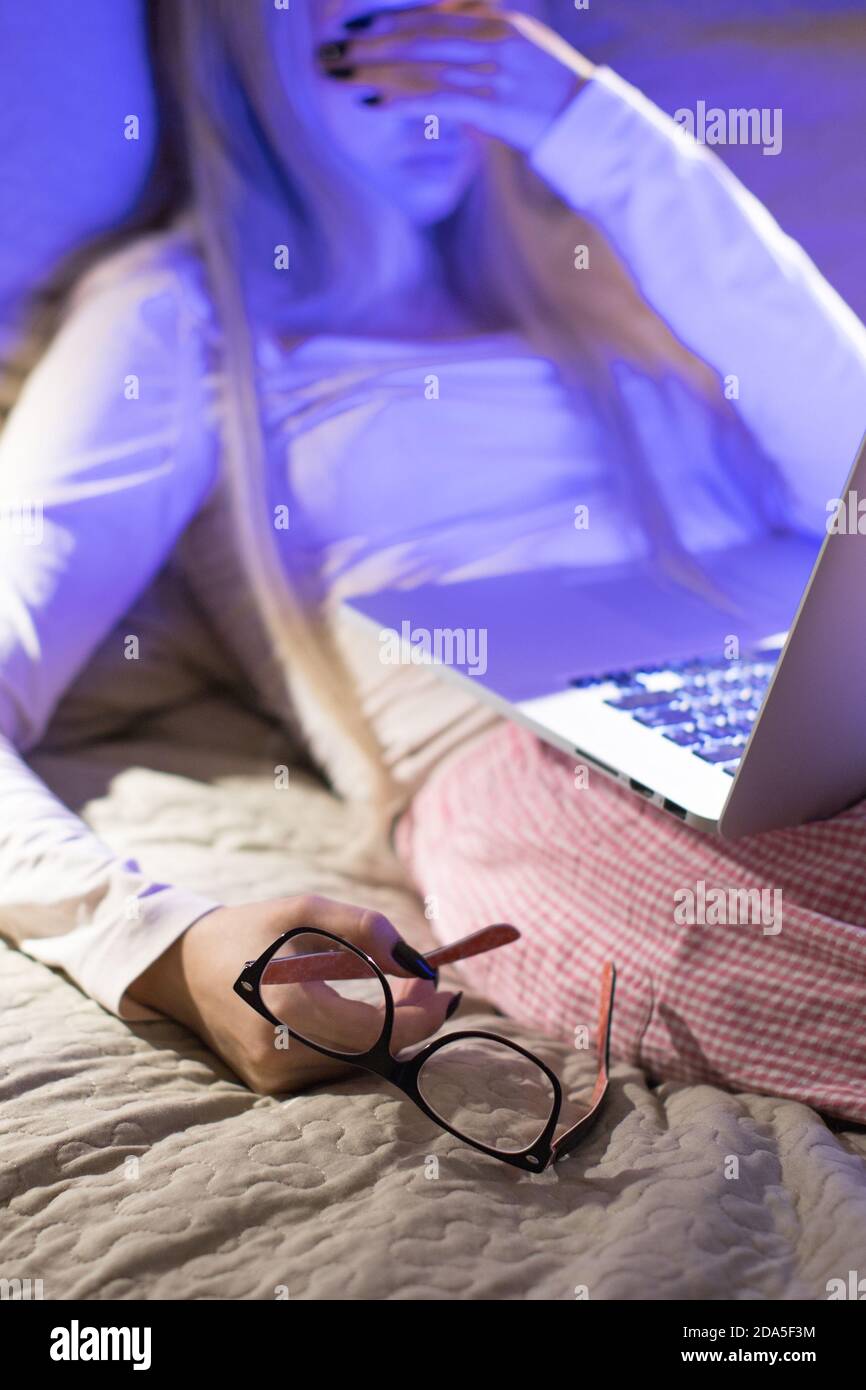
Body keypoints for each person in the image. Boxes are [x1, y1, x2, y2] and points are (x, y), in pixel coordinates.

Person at [2, 0, 865, 1114]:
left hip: (805, 693)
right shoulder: (183, 314)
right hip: (542, 776)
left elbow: (849, 469)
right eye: (372, 30)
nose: (441, 71)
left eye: (470, 19)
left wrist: (596, 129)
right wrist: (163, 945)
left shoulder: (606, 252)